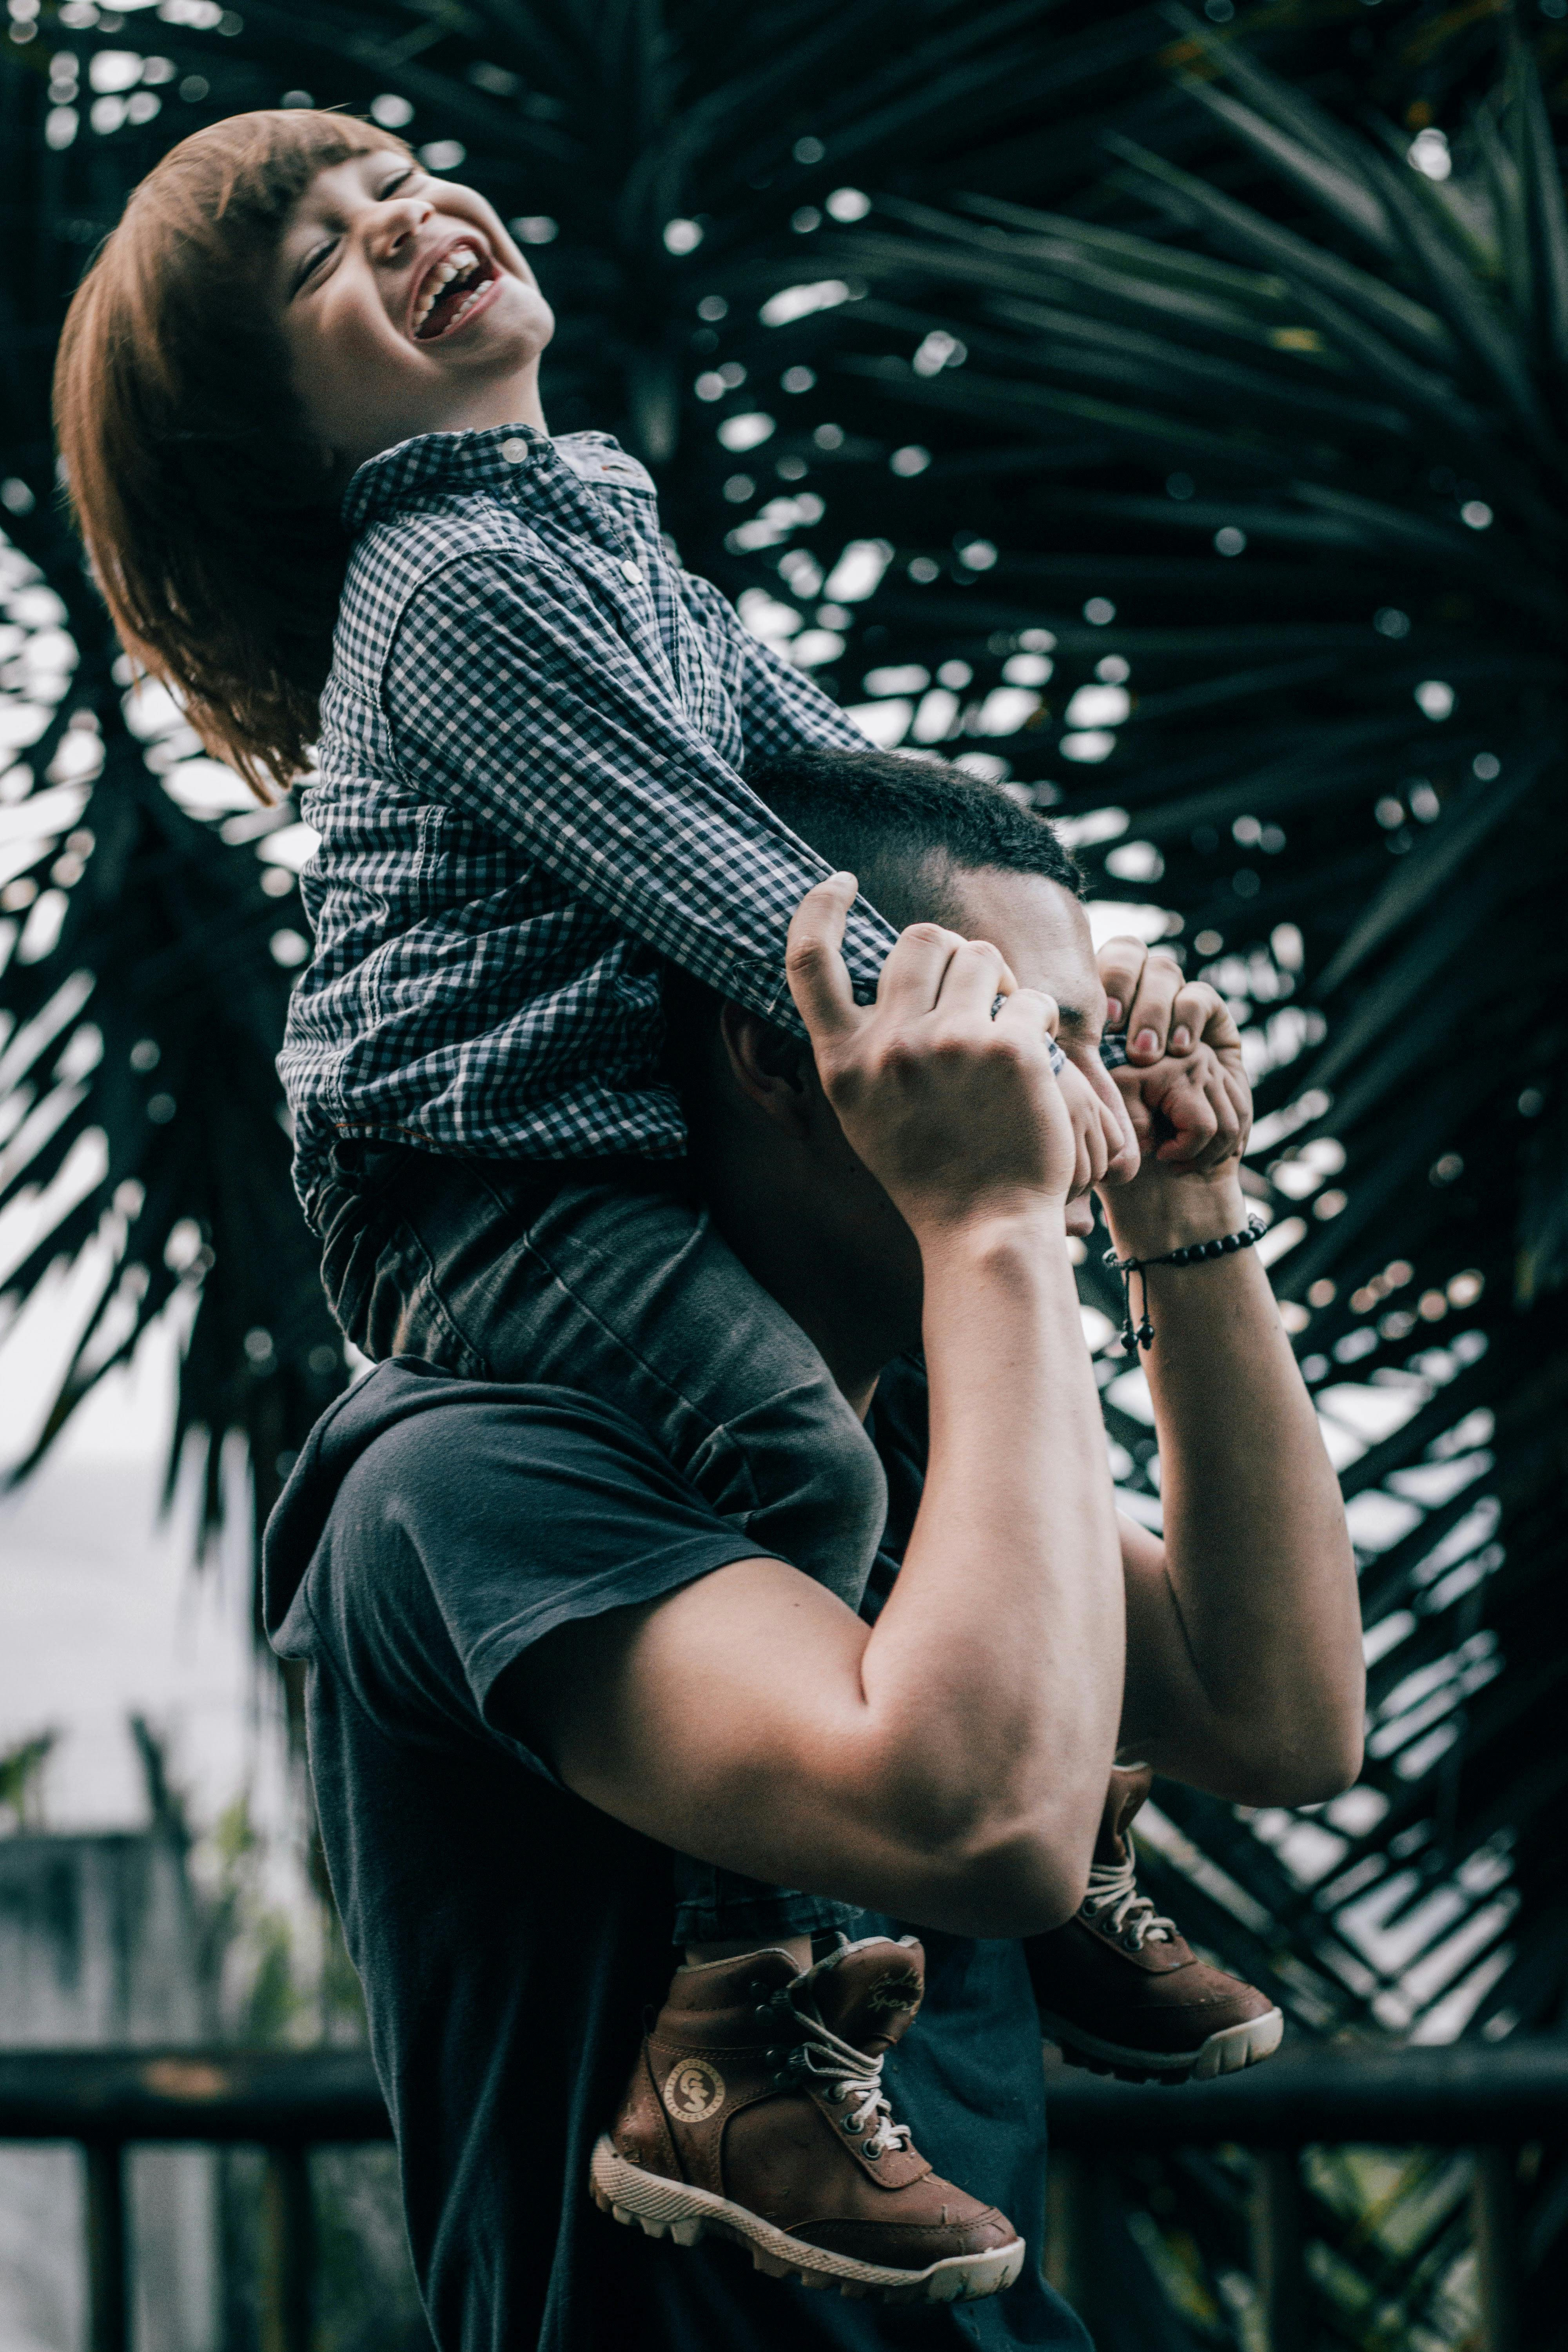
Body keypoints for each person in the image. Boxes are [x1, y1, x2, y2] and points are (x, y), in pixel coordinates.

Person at [48, 102, 1258, 2189]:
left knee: (872, 1452)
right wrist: (928, 1020)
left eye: (401, 174)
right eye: (328, 253)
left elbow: (817, 765)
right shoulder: (441, 584)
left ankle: (1040, 1869)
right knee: (801, 1454)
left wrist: (1040, 924)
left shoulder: (591, 522)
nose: (406, 213)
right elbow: (696, 853)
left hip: (592, 1156)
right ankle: (746, 2006)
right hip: (487, 1188)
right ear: (284, 426)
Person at [261, 751, 1363, 2347]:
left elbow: (1277, 1718)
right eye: (1023, 1048)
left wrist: (1186, 1204)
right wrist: (986, 1227)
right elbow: (980, 1825)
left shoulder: (914, 1451)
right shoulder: (473, 1477)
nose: (1085, 1125)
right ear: (787, 1060)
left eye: (1088, 1052)